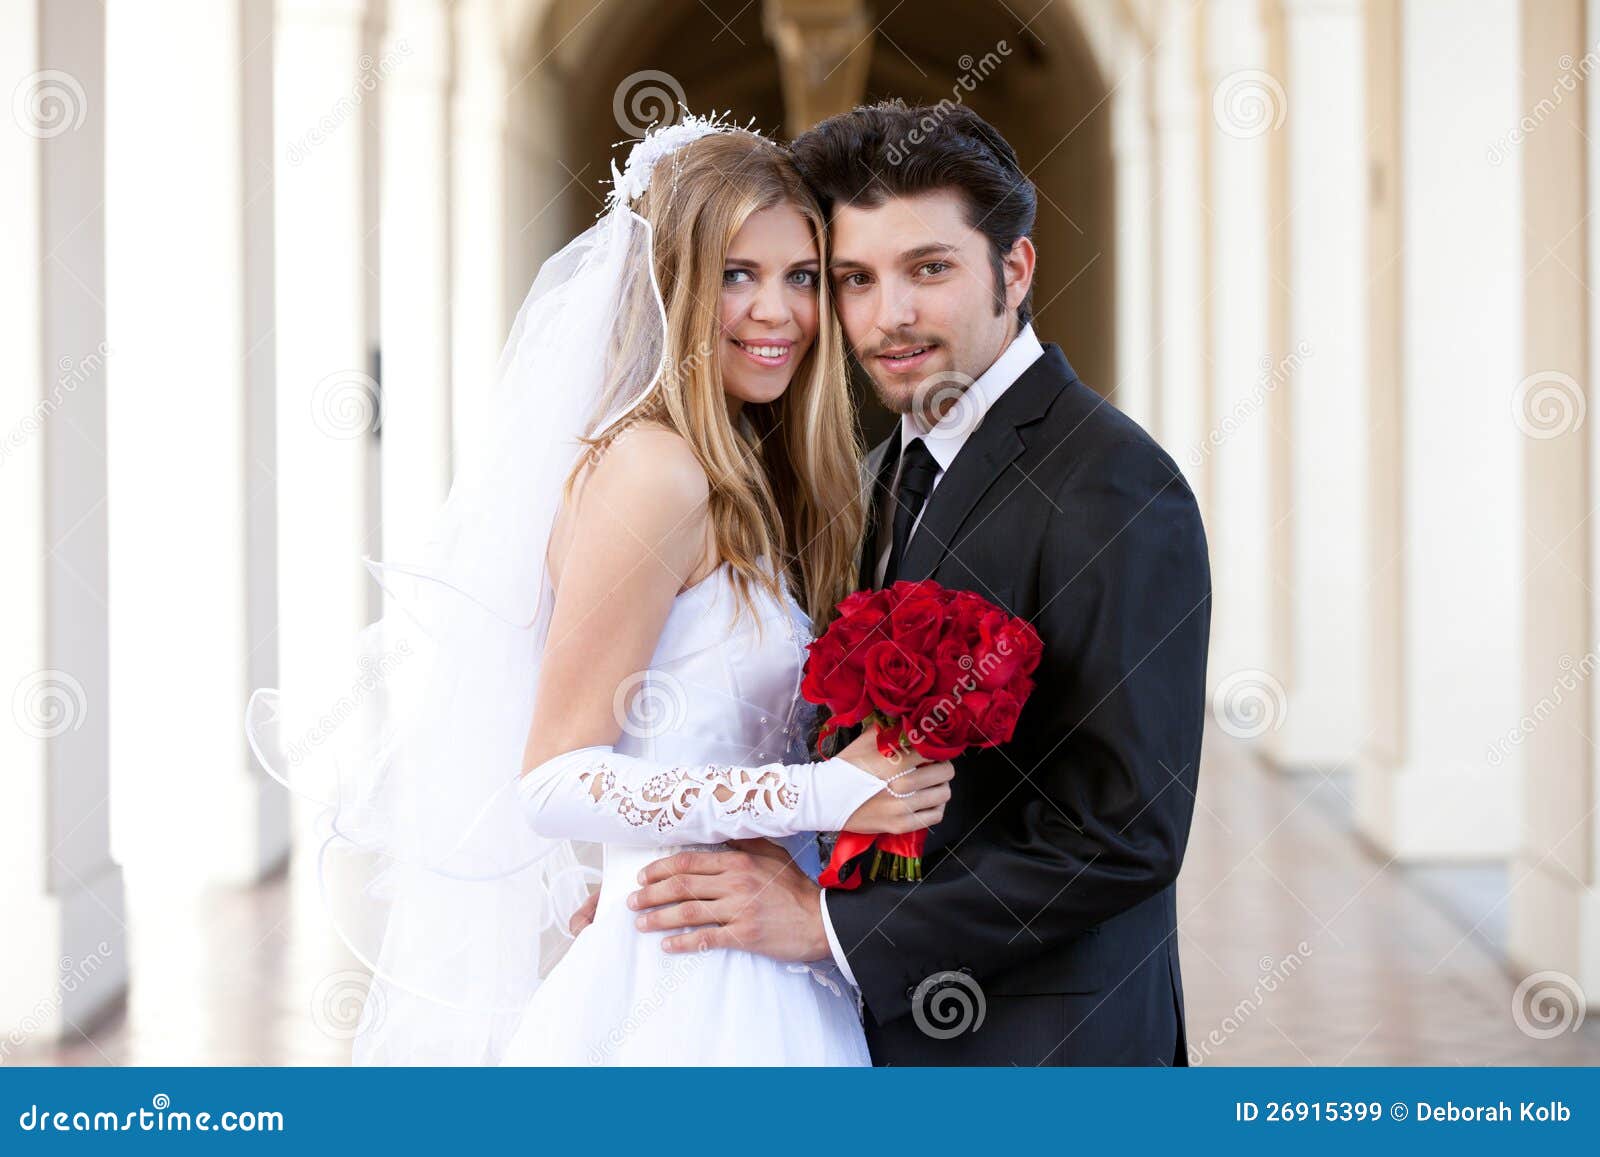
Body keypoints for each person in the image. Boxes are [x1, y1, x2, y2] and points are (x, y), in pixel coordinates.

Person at [629, 101, 1213, 1066]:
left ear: (1014, 270)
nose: (888, 315)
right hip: (879, 1032)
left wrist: (828, 928)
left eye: (929, 269)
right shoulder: (874, 473)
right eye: (855, 279)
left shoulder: (1110, 481)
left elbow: (1124, 833)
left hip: (1044, 1044)